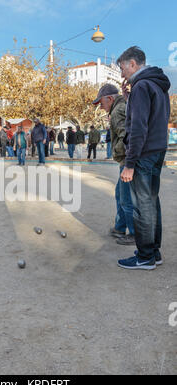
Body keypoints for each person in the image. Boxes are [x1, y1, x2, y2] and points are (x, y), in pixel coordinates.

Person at [116, 46, 170, 270]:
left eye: (122, 68)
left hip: (144, 153)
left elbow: (138, 128)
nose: (121, 74)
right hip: (158, 149)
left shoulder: (141, 86)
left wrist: (129, 163)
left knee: (141, 206)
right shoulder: (156, 84)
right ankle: (153, 252)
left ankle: (145, 256)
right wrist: (129, 99)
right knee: (151, 202)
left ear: (132, 64)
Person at [93, 83, 135, 246]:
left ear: (110, 98)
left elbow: (127, 137)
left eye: (102, 104)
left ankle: (133, 233)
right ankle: (120, 227)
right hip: (125, 160)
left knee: (126, 198)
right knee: (120, 194)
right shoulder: (121, 107)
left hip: (126, 160)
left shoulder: (117, 111)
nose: (102, 108)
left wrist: (123, 158)